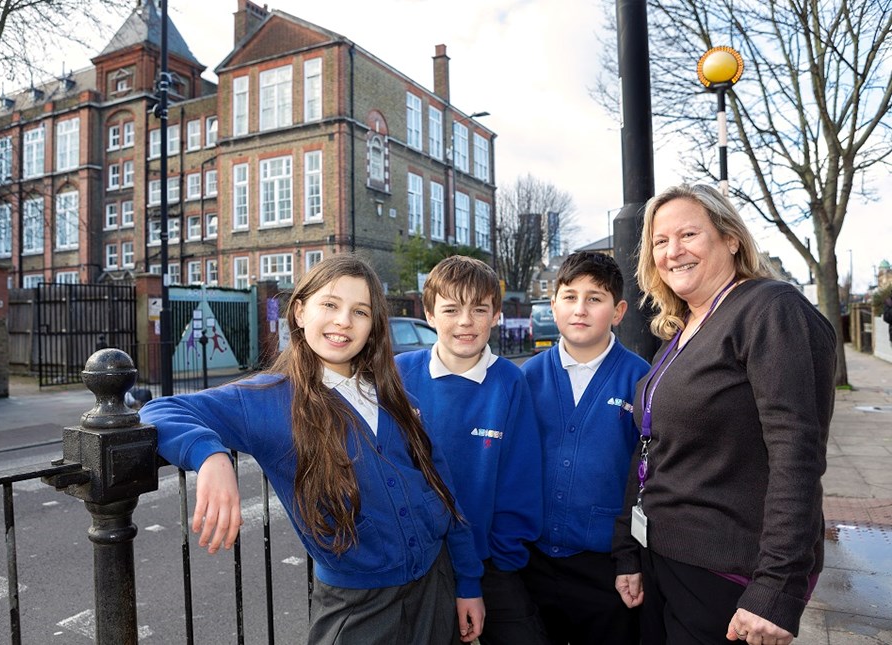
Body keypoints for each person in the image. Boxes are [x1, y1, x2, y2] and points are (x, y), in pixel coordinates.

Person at [141, 254, 485, 645]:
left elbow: (441, 490)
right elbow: (161, 409)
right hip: (359, 606)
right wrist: (210, 456)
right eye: (330, 305)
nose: (343, 321)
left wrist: (468, 583)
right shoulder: (271, 397)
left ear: (372, 326)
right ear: (301, 311)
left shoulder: (392, 393)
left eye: (360, 311)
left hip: (436, 584)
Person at [612, 184, 836, 645]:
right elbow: (651, 448)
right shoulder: (683, 330)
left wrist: (777, 587)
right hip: (663, 560)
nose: (673, 252)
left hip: (726, 573)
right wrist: (629, 553)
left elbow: (796, 455)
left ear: (730, 238)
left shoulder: (770, 309)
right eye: (659, 241)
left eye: (689, 234)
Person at [395, 255, 547, 645]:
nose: (465, 321)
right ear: (429, 314)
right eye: (451, 309)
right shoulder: (397, 375)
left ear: (495, 315)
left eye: (479, 309)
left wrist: (493, 567)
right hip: (417, 566)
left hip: (489, 563)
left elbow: (520, 482)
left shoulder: (510, 383)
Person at [519, 251, 650, 645]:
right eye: (570, 296)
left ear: (618, 310)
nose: (580, 309)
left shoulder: (641, 378)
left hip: (606, 568)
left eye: (595, 298)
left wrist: (631, 557)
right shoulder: (526, 377)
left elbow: (647, 477)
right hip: (533, 564)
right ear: (553, 305)